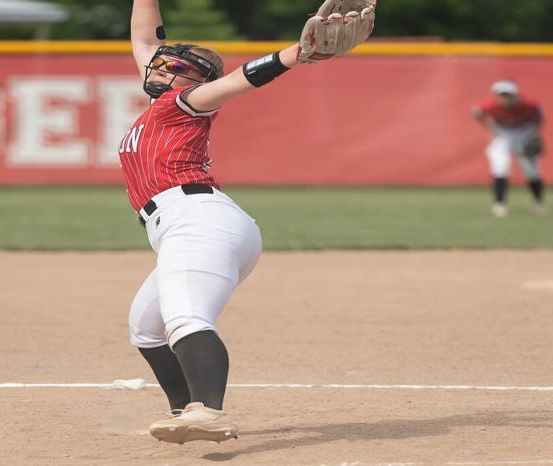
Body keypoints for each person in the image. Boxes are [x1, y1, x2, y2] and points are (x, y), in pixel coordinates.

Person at [120, 0, 376, 443]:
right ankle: (184, 409)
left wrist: (295, 54)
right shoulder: (164, 96)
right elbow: (145, 39)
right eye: (159, 65)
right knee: (147, 327)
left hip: (197, 221)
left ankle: (209, 412)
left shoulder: (184, 102)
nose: (160, 69)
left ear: (199, 81)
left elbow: (242, 80)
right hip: (190, 225)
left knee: (185, 317)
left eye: (174, 67)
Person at [471, 79, 546, 217]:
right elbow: (476, 113)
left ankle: (539, 203)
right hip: (502, 132)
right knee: (500, 167)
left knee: (531, 170)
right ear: (496, 95)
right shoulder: (489, 105)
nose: (505, 98)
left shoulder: (528, 104)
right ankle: (499, 205)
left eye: (508, 95)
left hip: (524, 131)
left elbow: (539, 116)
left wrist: (536, 135)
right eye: (502, 95)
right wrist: (489, 131)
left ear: (515, 95)